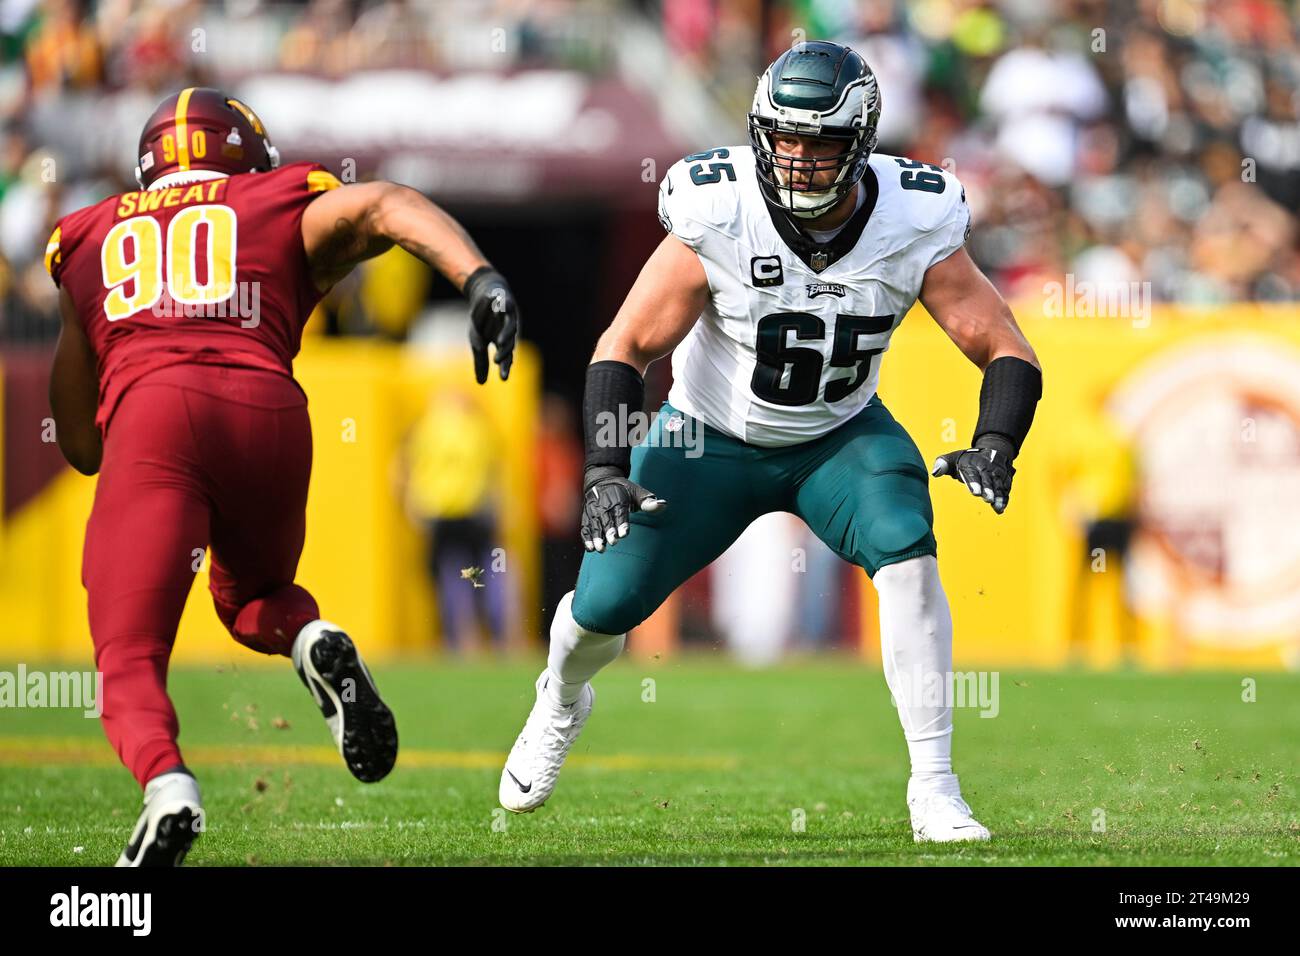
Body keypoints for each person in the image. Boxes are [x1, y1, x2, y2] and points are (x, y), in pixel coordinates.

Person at [498, 42, 1040, 843]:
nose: (796, 157)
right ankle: (560, 696)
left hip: (838, 437)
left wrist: (997, 440)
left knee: (907, 548)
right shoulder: (719, 206)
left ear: (860, 143)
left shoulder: (913, 214)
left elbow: (1006, 348)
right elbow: (624, 344)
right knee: (603, 608)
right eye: (783, 137)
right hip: (706, 436)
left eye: (818, 142)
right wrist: (607, 468)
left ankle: (935, 789)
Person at [45, 87, 520, 865]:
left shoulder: (89, 234)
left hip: (154, 419)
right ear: (243, 154)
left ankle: (167, 786)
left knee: (128, 657)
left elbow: (78, 445)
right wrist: (479, 279)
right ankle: (311, 637)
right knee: (253, 598)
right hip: (268, 410)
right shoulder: (274, 197)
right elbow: (387, 204)